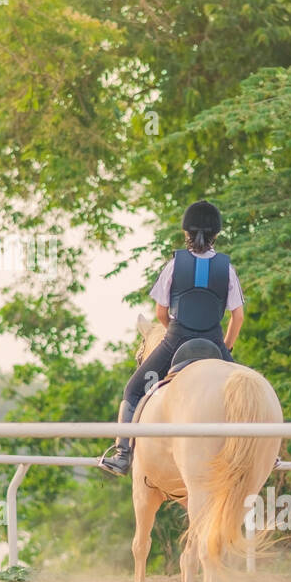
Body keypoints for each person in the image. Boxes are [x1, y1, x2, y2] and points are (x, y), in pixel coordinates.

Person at [97, 200, 245, 476]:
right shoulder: (227, 269)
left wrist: (172, 332)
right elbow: (238, 318)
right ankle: (265, 451)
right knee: (247, 390)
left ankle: (122, 453)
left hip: (176, 339)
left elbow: (161, 312)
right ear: (216, 235)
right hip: (213, 341)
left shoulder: (175, 265)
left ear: (186, 233)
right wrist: (226, 347)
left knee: (133, 390)